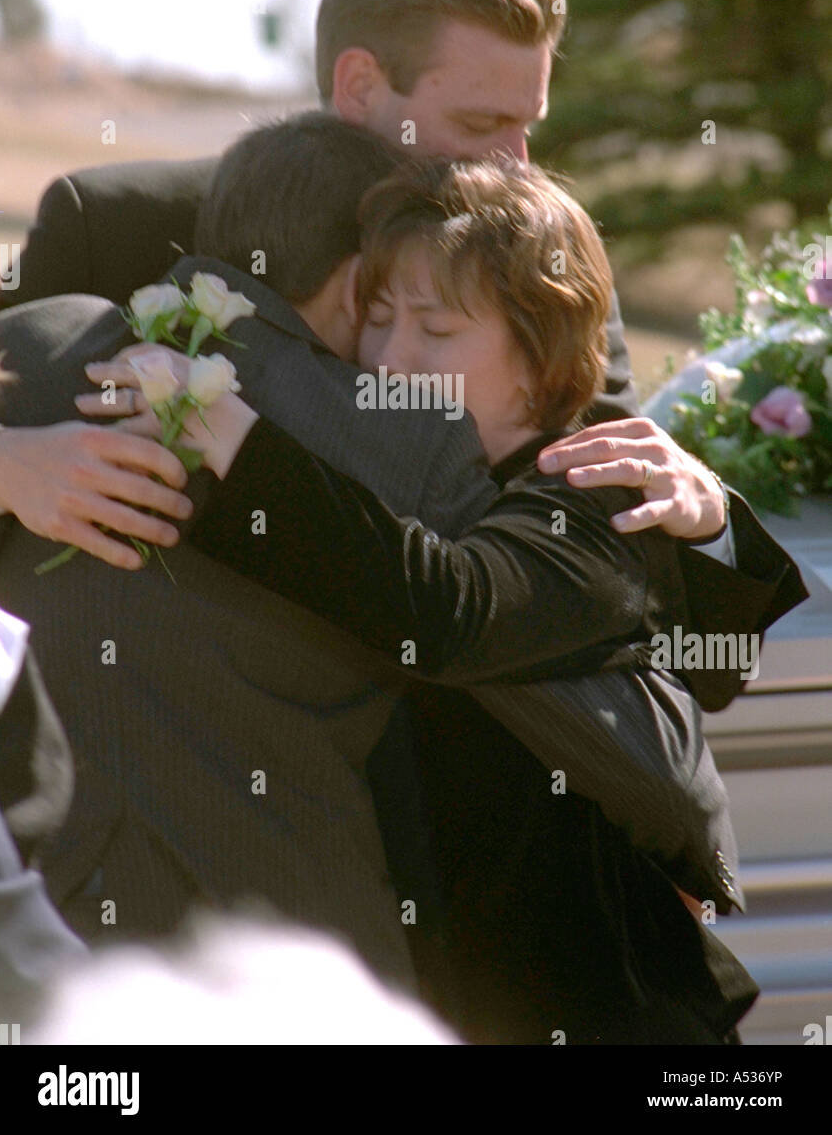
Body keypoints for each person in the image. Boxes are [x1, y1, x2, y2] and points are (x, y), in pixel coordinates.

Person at [62, 120, 805, 1041]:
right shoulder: (387, 460)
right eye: (379, 318)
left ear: (541, 365)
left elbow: (447, 609)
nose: (394, 358)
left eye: (439, 329)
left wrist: (236, 443)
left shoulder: (589, 495)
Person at [0, 0, 731, 559]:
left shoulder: (541, 260)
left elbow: (621, 539)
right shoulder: (118, 223)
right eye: (479, 125)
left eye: (526, 125)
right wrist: (5, 466)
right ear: (361, 87)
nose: (517, 162)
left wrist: (708, 518)